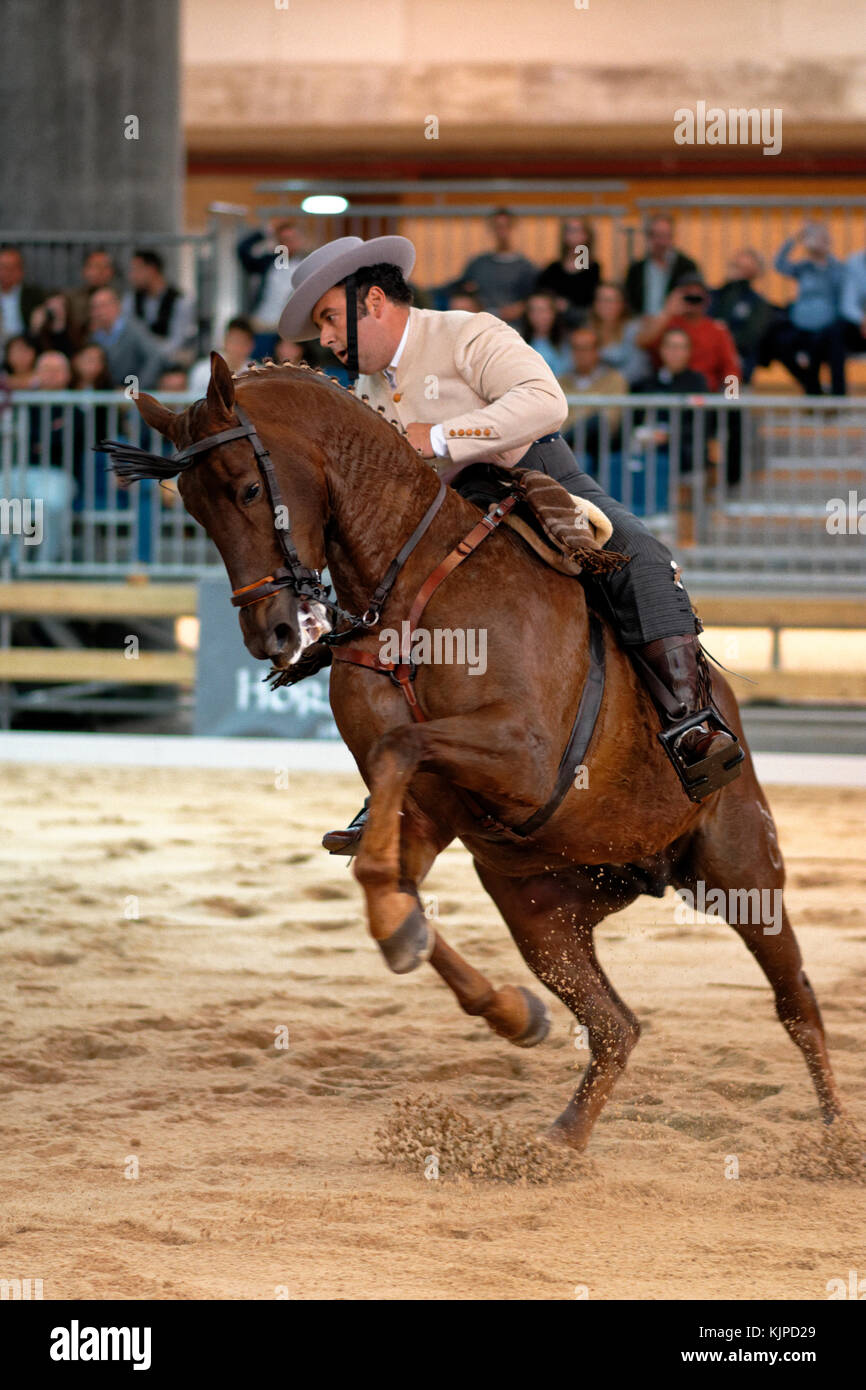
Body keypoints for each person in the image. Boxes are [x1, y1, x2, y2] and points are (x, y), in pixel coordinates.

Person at [276, 235, 743, 853]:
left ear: (376, 301)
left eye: (330, 319)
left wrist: (439, 437)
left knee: (640, 557)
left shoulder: (470, 331)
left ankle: (691, 722)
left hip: (539, 482)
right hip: (442, 519)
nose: (327, 340)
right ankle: (398, 789)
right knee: (372, 623)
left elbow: (546, 402)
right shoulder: (363, 392)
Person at [766, 223, 845, 394]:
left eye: (822, 238)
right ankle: (813, 390)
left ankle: (834, 397)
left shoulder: (836, 268)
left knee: (820, 352)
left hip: (825, 327)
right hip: (800, 325)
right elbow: (779, 265)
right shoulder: (804, 267)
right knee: (781, 345)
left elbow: (841, 297)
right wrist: (796, 238)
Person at [636, 273, 741, 391]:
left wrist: (731, 399)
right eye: (689, 297)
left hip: (706, 397)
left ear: (707, 300)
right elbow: (642, 343)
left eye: (698, 298)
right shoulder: (667, 324)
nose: (693, 302)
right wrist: (667, 310)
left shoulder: (717, 330)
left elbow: (731, 369)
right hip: (668, 392)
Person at [453, 209, 538, 325]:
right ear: (491, 229)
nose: (502, 231)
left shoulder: (526, 267)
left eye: (506, 226)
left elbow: (531, 300)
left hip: (515, 328)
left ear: (513, 228)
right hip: (480, 324)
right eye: (498, 226)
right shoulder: (478, 264)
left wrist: (514, 310)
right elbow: (462, 289)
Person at [238, 218, 308, 357]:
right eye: (283, 240)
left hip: (289, 332)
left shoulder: (307, 265)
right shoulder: (268, 262)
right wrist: (265, 231)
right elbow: (242, 250)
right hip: (263, 326)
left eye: (292, 239)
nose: (288, 244)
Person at [710, 249, 780, 384]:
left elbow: (750, 337)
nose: (736, 272)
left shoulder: (758, 304)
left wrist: (721, 338)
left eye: (744, 269)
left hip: (735, 368)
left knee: (732, 400)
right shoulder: (713, 296)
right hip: (708, 366)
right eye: (735, 266)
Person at [557, 324, 627, 453]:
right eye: (576, 348)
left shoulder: (614, 379)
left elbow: (610, 420)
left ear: (597, 351)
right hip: (567, 445)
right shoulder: (560, 381)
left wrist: (577, 422)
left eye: (585, 348)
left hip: (599, 447)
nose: (580, 354)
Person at [123, 249, 197, 363]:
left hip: (168, 363)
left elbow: (176, 343)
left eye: (136, 270)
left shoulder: (180, 302)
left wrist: (149, 349)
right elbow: (127, 335)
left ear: (151, 270)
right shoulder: (131, 301)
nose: (131, 276)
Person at [87, 286, 165, 390]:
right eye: (94, 307)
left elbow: (154, 358)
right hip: (108, 396)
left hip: (135, 394)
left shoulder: (135, 330)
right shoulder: (93, 337)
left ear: (117, 306)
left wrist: (136, 389)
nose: (99, 312)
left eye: (103, 306)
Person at [624, 215, 700, 318]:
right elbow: (629, 301)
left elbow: (695, 300)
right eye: (656, 235)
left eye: (665, 235)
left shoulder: (686, 267)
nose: (661, 242)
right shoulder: (636, 269)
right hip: (642, 324)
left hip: (677, 324)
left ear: (672, 237)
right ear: (648, 238)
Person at [535, 217, 602, 318]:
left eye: (578, 230)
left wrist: (568, 308)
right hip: (554, 320)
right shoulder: (553, 268)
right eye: (569, 230)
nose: (573, 235)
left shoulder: (593, 268)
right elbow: (541, 291)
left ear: (587, 236)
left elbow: (592, 302)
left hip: (582, 319)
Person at [590, 281, 650, 385]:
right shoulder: (587, 330)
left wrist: (611, 382)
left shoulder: (633, 329)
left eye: (610, 301)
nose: (605, 305)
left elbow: (638, 369)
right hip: (594, 391)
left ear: (622, 304)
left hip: (632, 390)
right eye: (601, 300)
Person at [187, 317, 256, 397]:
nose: (237, 348)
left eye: (242, 343)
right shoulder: (202, 370)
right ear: (225, 341)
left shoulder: (258, 375)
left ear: (251, 346)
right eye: (234, 341)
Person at [65, 248, 118, 347]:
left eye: (105, 267)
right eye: (96, 266)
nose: (100, 272)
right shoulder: (72, 299)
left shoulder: (120, 297)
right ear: (85, 270)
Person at [0, 246, 44, 349]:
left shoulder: (34, 295)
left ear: (21, 271)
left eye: (11, 268)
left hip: (24, 346)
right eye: (2, 267)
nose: (5, 273)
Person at [520, 290, 571, 375]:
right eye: (533, 310)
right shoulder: (518, 343)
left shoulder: (568, 343)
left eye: (543, 310)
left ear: (554, 313)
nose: (538, 315)